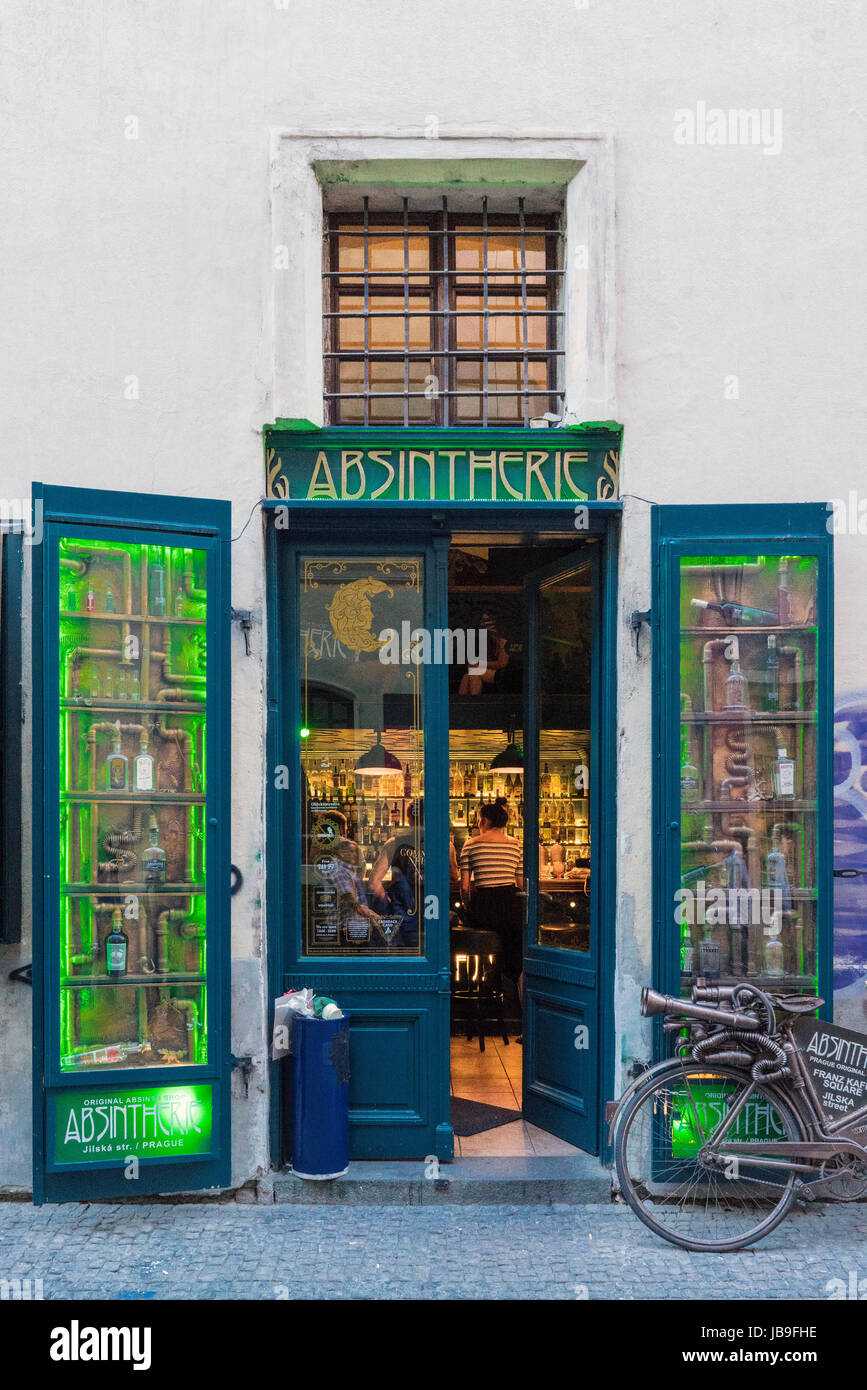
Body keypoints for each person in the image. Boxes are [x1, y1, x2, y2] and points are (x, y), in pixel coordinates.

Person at [460, 796, 524, 1003]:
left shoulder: (470, 844)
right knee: (516, 958)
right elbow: (521, 884)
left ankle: (488, 977)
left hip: (484, 906)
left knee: (468, 928)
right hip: (510, 905)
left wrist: (469, 906)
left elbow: (464, 886)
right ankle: (521, 1016)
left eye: (479, 820)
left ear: (485, 821)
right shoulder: (517, 845)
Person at [368, 799, 425, 950]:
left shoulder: (395, 842)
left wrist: (386, 907)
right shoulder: (445, 843)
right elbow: (452, 877)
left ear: (408, 817)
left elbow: (374, 884)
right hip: (434, 919)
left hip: (403, 921)